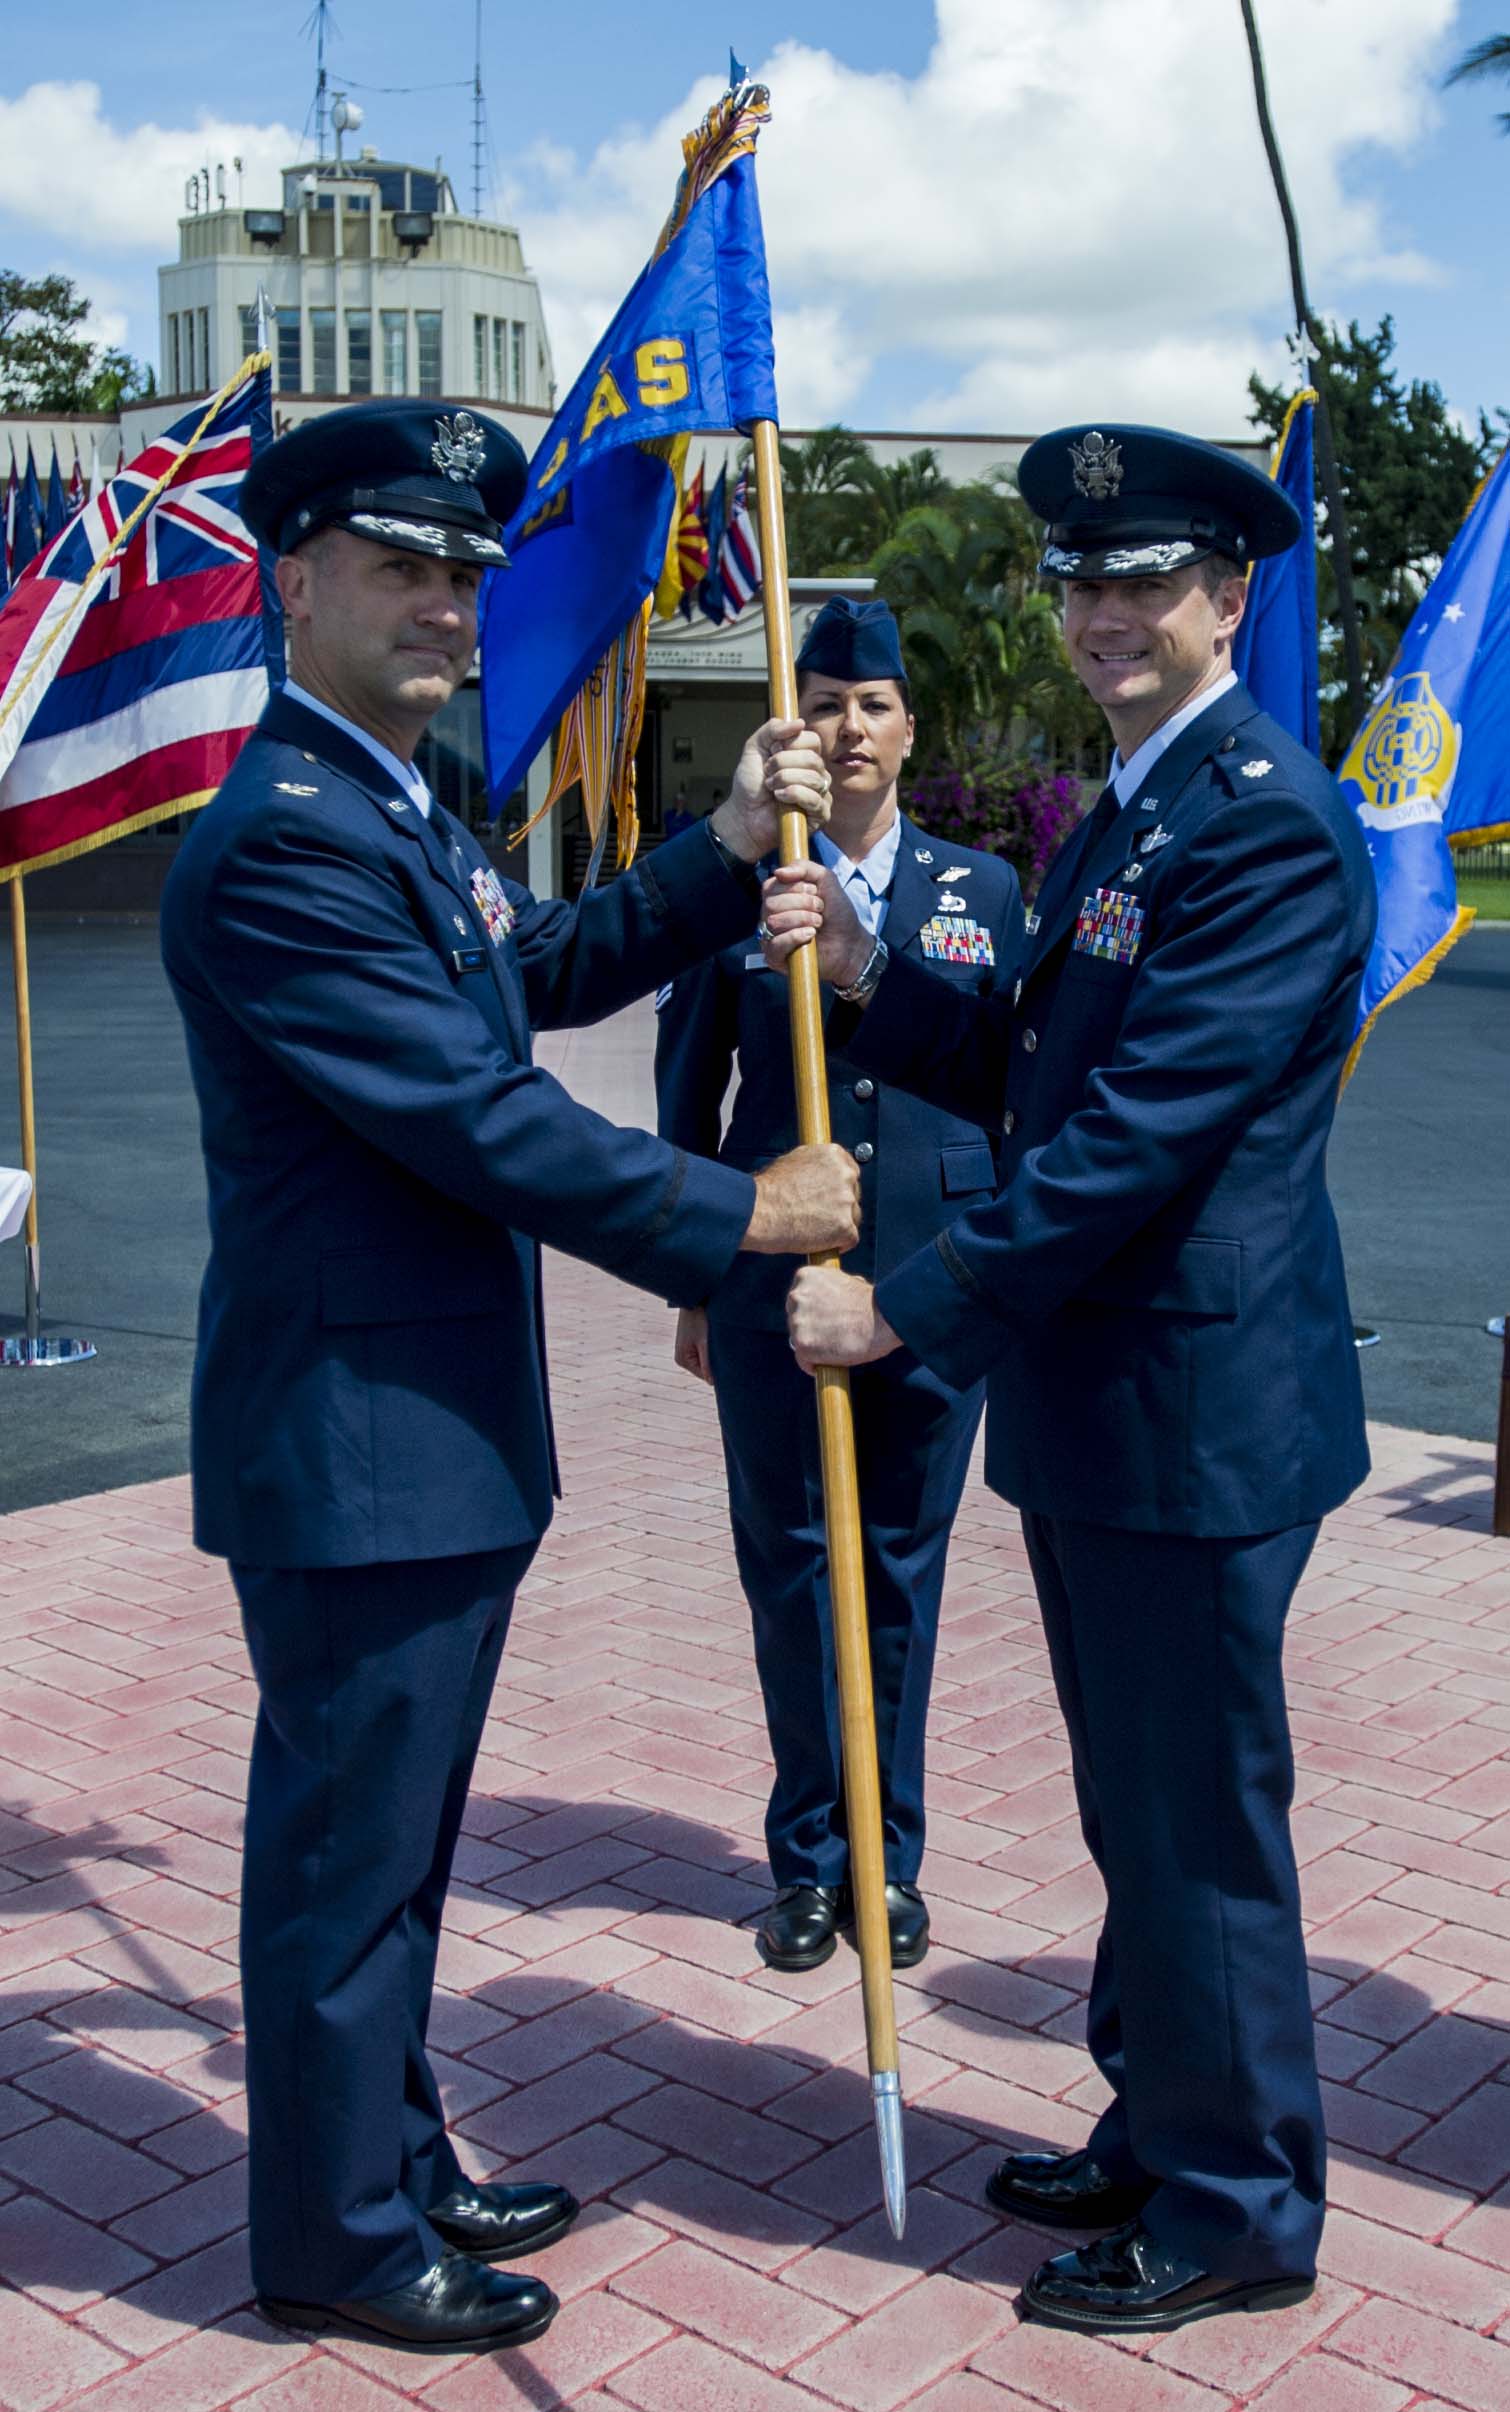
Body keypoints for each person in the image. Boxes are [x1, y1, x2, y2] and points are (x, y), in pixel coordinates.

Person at [159, 400, 858, 2357]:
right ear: (293, 581)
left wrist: (724, 848)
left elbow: (531, 966)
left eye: (464, 576)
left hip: (424, 1439)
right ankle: (337, 2240)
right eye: (401, 567)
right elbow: (478, 1119)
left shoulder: (392, 805)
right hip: (355, 1444)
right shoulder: (283, 842)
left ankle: (391, 2158)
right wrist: (746, 1213)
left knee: (395, 1851)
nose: (448, 607)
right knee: (345, 1862)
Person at [762, 426, 1376, 2336]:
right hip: (1115, 1405)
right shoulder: (1135, 803)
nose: (1104, 612)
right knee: (1138, 1809)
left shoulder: (1262, 821)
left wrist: (907, 1311)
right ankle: (1158, 2120)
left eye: (1145, 580)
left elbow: (1131, 1139)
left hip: (1192, 1411)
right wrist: (871, 979)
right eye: (1079, 582)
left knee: (1196, 1824)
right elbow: (1040, 1068)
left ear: (1229, 596)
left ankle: (1237, 2206)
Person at [655, 597, 1023, 1974]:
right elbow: (686, 1096)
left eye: (873, 705)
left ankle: (890, 1861)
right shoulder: (742, 888)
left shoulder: (982, 891)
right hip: (771, 1279)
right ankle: (809, 1859)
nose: (848, 728)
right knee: (795, 1566)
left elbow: (1011, 1084)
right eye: (823, 704)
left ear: (910, 729)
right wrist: (695, 1278)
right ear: (791, 726)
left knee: (900, 1571)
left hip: (933, 1275)